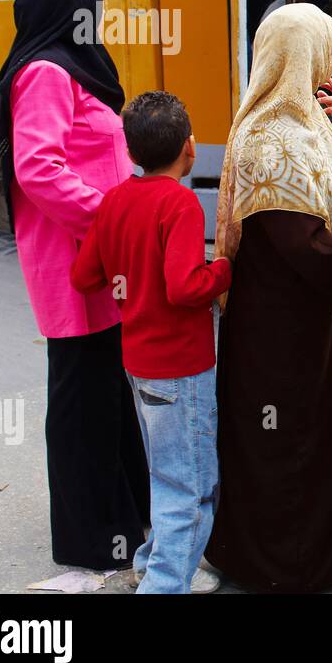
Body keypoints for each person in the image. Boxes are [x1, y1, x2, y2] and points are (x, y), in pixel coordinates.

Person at [206, 3, 332, 592]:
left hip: (309, 317)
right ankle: (287, 562)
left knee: (316, 430)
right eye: (324, 50)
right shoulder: (268, 136)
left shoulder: (300, 120)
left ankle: (330, 546)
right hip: (280, 329)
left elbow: (331, 179)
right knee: (288, 439)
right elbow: (304, 242)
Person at [0, 0, 149, 571]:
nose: (99, 14)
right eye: (91, 3)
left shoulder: (71, 66)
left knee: (107, 390)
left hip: (97, 256)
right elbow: (38, 170)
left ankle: (127, 518)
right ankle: (92, 537)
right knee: (84, 399)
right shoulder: (47, 73)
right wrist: (112, 217)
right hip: (74, 258)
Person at [70, 91, 232, 594]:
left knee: (164, 472)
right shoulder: (180, 204)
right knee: (192, 487)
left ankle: (153, 560)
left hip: (137, 364)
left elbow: (83, 276)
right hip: (181, 369)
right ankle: (164, 583)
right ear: (189, 147)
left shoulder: (116, 198)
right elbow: (185, 287)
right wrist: (224, 269)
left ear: (132, 152)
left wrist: (127, 274)